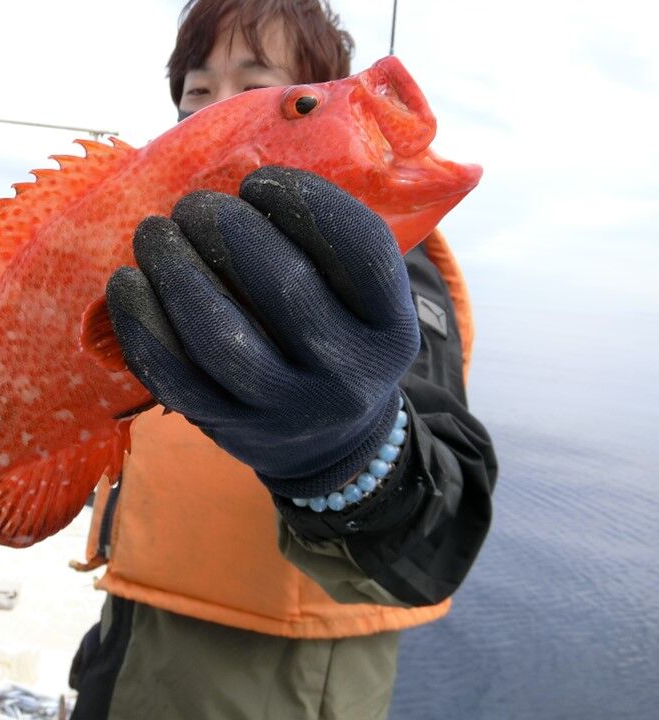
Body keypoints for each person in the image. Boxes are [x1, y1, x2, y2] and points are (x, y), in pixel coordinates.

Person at [68, 1, 497, 718]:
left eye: (262, 87)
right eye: (196, 92)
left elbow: (441, 537)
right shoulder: (150, 248)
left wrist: (348, 452)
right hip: (126, 647)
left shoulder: (384, 269)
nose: (215, 110)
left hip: (279, 688)